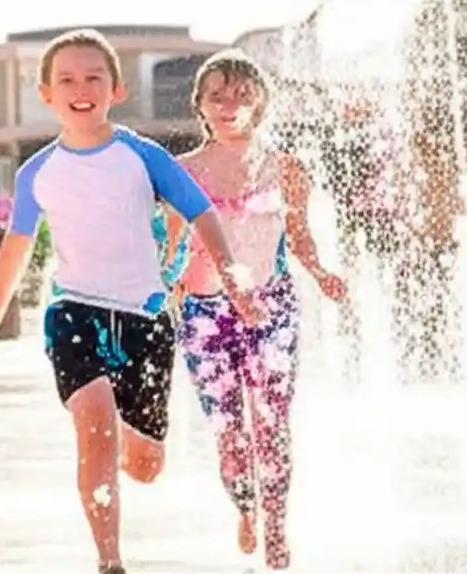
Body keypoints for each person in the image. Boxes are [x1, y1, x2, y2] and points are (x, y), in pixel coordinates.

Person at [0, 29, 262, 574]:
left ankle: (120, 448)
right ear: (46, 93)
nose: (80, 87)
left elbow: (202, 211)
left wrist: (232, 275)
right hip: (75, 313)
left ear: (116, 90)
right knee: (93, 423)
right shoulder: (36, 172)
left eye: (93, 77)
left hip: (147, 319)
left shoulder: (142, 155)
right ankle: (109, 561)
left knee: (145, 466)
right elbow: (16, 253)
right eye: (66, 79)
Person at [165, 50, 346, 569]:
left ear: (261, 104)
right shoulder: (183, 172)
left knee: (271, 422)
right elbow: (173, 250)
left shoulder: (285, 168)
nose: (229, 105)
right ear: (199, 104)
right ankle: (245, 506)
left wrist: (322, 273)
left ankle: (278, 523)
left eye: (242, 96)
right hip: (206, 314)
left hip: (271, 310)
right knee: (228, 432)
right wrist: (163, 290)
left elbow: (300, 239)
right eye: (217, 96)